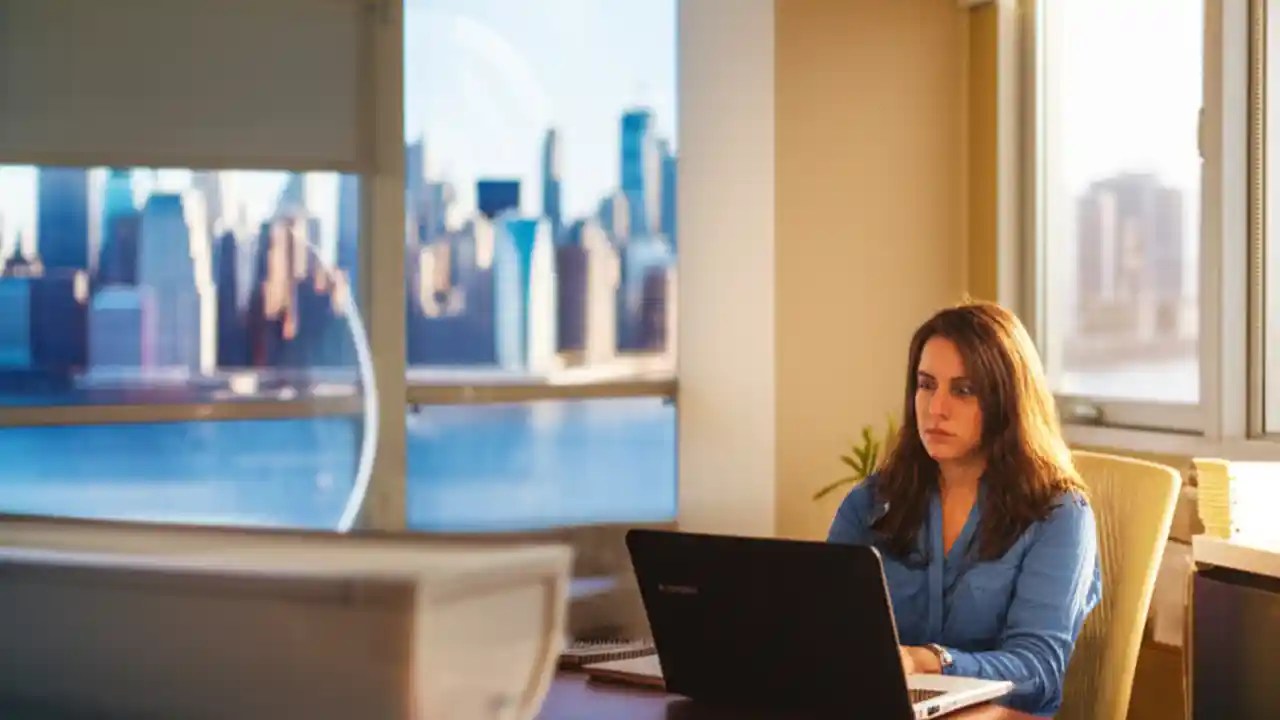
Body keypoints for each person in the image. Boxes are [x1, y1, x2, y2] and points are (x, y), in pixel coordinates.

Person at [827, 301, 1101, 717]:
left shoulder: (1059, 515)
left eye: (963, 390)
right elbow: (827, 636)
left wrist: (930, 660)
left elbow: (1039, 670)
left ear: (1007, 402)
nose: (936, 408)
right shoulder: (869, 503)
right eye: (926, 384)